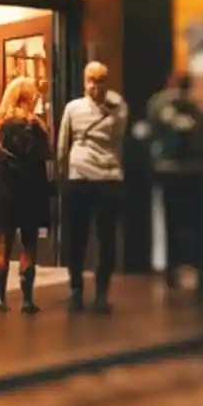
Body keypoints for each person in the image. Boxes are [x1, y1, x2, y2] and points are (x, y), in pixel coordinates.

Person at [0, 77, 53, 314]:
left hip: (3, 192)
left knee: (1, 245)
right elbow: (48, 156)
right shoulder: (36, 125)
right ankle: (27, 300)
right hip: (30, 191)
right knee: (29, 245)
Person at [57, 61, 129, 313]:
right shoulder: (73, 108)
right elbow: (63, 144)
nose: (95, 86)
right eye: (91, 80)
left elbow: (120, 132)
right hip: (83, 177)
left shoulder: (117, 107)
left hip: (105, 177)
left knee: (105, 239)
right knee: (79, 237)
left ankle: (99, 293)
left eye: (100, 80)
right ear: (84, 81)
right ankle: (77, 290)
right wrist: (65, 171)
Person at [144, 72, 203, 296]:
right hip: (193, 171)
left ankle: (171, 270)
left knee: (170, 222)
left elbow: (152, 132)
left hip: (167, 170)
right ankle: (193, 268)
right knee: (193, 222)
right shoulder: (198, 109)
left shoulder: (158, 105)